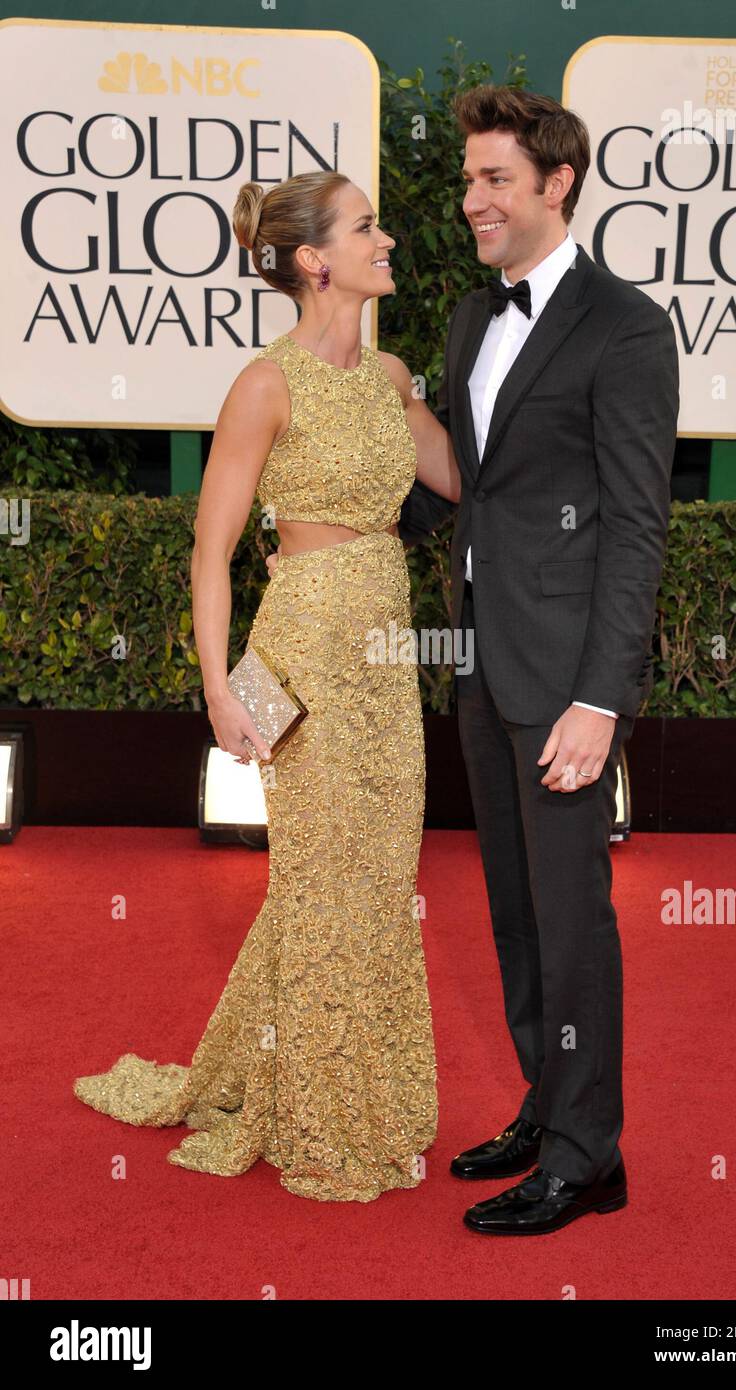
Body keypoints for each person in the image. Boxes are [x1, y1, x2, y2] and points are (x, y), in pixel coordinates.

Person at [73, 171, 459, 1203]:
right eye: (368, 226)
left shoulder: (390, 377)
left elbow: (461, 478)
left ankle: (345, 1088)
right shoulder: (264, 385)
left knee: (374, 883)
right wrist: (217, 690)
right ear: (311, 260)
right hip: (299, 654)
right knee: (322, 880)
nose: (389, 239)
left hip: (385, 655)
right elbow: (211, 552)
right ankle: (325, 1118)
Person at [393, 86, 680, 1235]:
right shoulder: (470, 319)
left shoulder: (624, 326)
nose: (471, 200)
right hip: (483, 661)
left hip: (564, 681)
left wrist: (599, 699)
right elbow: (466, 482)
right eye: (466, 180)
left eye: (493, 180)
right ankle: (542, 1098)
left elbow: (635, 525)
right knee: (511, 910)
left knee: (571, 919)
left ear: (555, 184)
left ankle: (585, 1153)